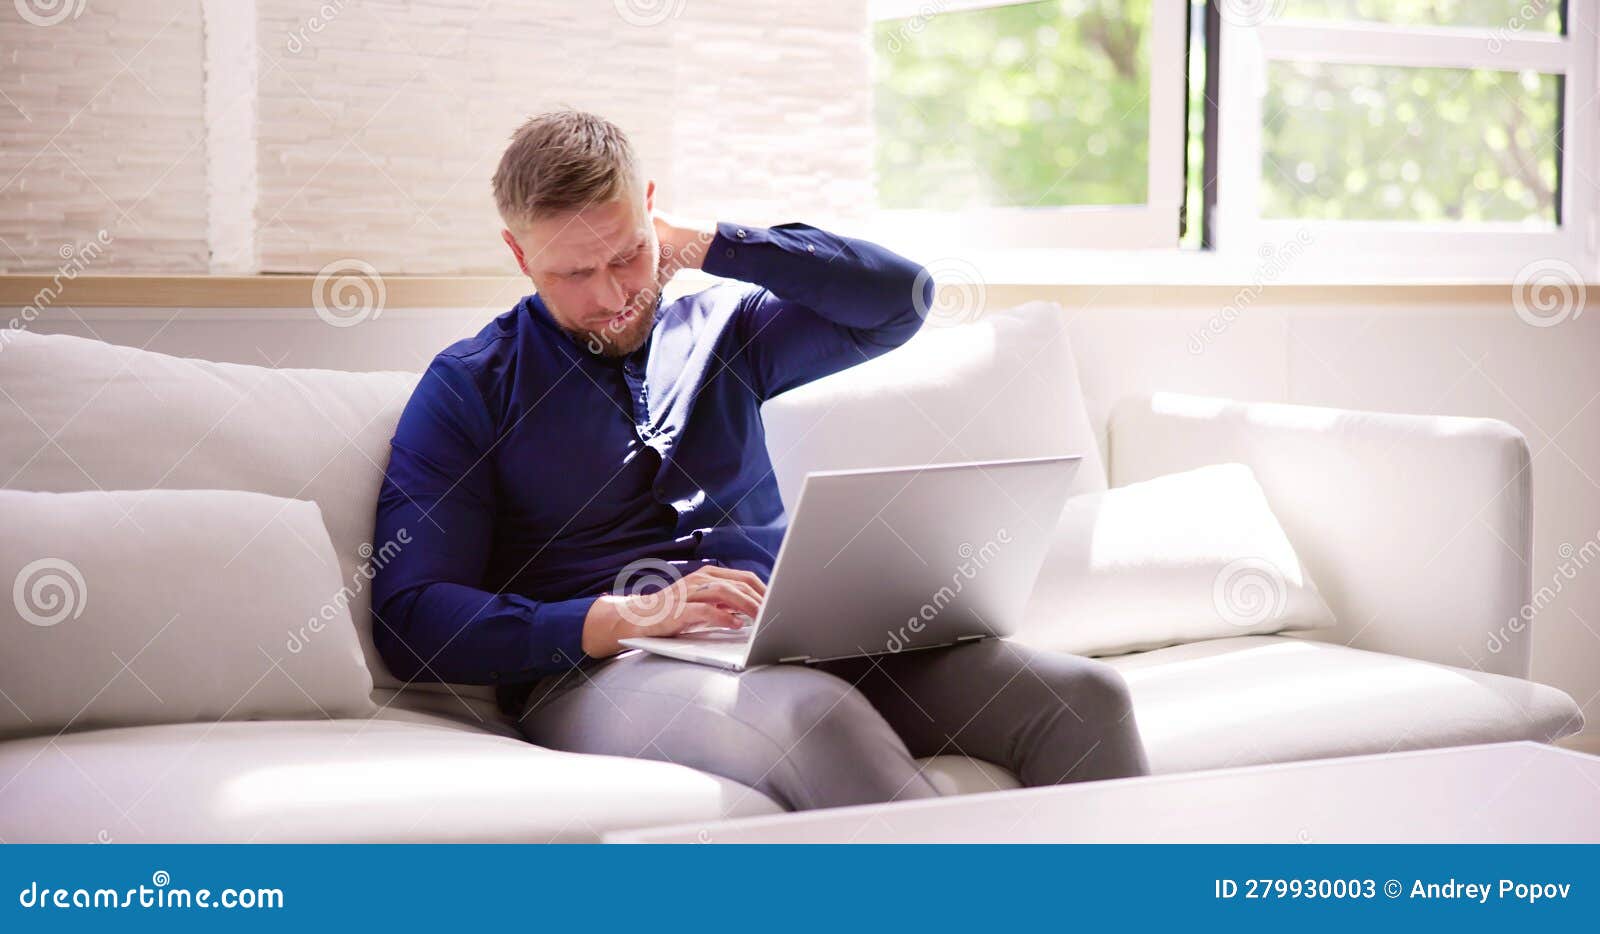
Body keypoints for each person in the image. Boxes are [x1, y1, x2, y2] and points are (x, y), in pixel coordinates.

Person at [371, 109, 1150, 811]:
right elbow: (408, 619)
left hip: (783, 635)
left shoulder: (725, 328)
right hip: (601, 673)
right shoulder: (471, 386)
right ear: (518, 254)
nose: (613, 296)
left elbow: (899, 299)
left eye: (630, 255)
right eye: (574, 274)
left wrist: (717, 244)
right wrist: (621, 617)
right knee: (815, 717)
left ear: (652, 210)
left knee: (1085, 696)